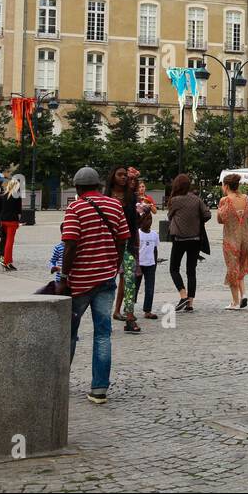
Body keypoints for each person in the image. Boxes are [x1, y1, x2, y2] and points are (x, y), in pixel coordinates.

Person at [61, 166, 130, 404]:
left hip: (80, 281)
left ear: (78, 188)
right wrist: (114, 264)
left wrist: (63, 276)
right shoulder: (114, 205)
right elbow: (123, 239)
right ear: (99, 186)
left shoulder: (75, 207)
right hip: (106, 279)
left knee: (69, 334)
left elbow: (69, 244)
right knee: (103, 335)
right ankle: (99, 389)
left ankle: (60, 382)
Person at [166, 173, 209, 312]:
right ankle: (190, 303)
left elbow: (169, 216)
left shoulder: (174, 200)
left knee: (174, 268)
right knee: (191, 271)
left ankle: (183, 295)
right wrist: (196, 221)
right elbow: (207, 214)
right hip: (195, 239)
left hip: (179, 239)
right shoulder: (196, 199)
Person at [107, 166, 141, 329]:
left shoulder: (131, 196)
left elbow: (133, 222)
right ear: (112, 177)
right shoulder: (105, 195)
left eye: (125, 175)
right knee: (107, 279)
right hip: (107, 242)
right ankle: (104, 315)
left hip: (126, 241)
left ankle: (129, 315)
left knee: (130, 278)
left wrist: (135, 243)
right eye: (120, 175)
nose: (123, 178)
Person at [217, 173, 248, 311]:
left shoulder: (224, 200)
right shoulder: (245, 198)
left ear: (226, 186)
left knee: (232, 269)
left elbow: (220, 219)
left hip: (231, 239)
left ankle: (235, 302)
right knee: (240, 267)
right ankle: (243, 294)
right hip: (245, 239)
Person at [136, 200, 160, 319]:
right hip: (139, 264)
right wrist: (136, 264)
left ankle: (147, 310)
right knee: (134, 287)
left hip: (150, 264)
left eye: (150, 219)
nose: (149, 222)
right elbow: (135, 251)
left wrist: (155, 263)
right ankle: (129, 307)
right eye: (146, 219)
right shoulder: (138, 234)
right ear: (140, 222)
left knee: (150, 289)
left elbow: (155, 250)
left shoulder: (154, 234)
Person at [0, 176, 23, 271]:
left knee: (6, 240)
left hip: (3, 220)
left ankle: (8, 261)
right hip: (12, 221)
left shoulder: (4, 195)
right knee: (9, 242)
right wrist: (18, 221)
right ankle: (7, 262)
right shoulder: (17, 196)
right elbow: (19, 211)